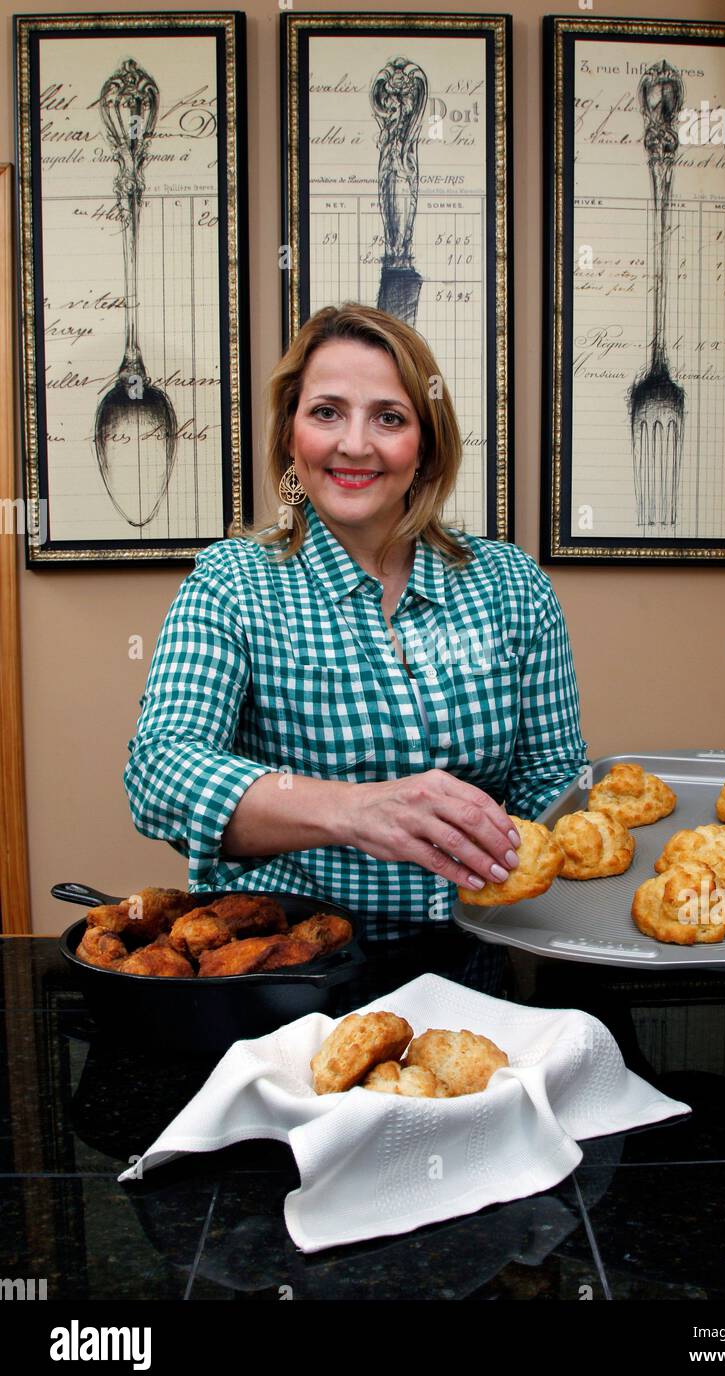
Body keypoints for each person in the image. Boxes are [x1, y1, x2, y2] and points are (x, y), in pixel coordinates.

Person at [124, 302, 589, 1002]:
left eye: (389, 418)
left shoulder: (511, 586)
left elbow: (552, 788)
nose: (355, 445)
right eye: (327, 413)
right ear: (290, 434)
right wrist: (355, 809)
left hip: (482, 961)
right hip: (282, 971)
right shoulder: (233, 583)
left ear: (426, 445)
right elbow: (159, 776)